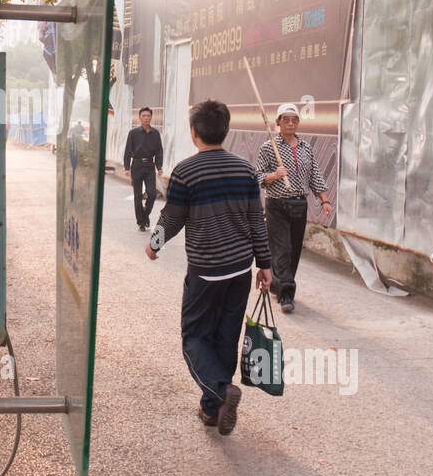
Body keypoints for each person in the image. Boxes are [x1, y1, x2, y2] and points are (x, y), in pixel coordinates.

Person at [145, 100, 272, 435]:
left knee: (195, 337)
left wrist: (154, 243)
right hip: (240, 270)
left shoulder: (186, 172)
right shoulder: (245, 170)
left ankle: (220, 390)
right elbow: (256, 222)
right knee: (226, 337)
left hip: (206, 271)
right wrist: (266, 264)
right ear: (225, 130)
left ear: (193, 132)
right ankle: (212, 409)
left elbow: (172, 217)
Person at [255, 102, 332, 314]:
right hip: (277, 204)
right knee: (282, 248)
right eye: (286, 119)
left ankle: (280, 282)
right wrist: (274, 175)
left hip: (299, 203)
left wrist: (324, 200)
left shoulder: (305, 147)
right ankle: (286, 294)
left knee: (295, 249)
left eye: (294, 119)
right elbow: (258, 176)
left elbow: (315, 175)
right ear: (277, 122)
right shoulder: (269, 147)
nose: (290, 123)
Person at [123, 106, 162, 231]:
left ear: (151, 117)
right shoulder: (133, 133)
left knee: (152, 194)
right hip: (137, 166)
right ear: (140, 117)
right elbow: (128, 151)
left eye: (148, 116)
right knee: (138, 196)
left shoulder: (155, 133)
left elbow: (159, 151)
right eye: (144, 116)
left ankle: (145, 215)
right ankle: (141, 222)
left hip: (150, 166)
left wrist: (159, 166)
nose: (146, 118)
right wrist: (127, 167)